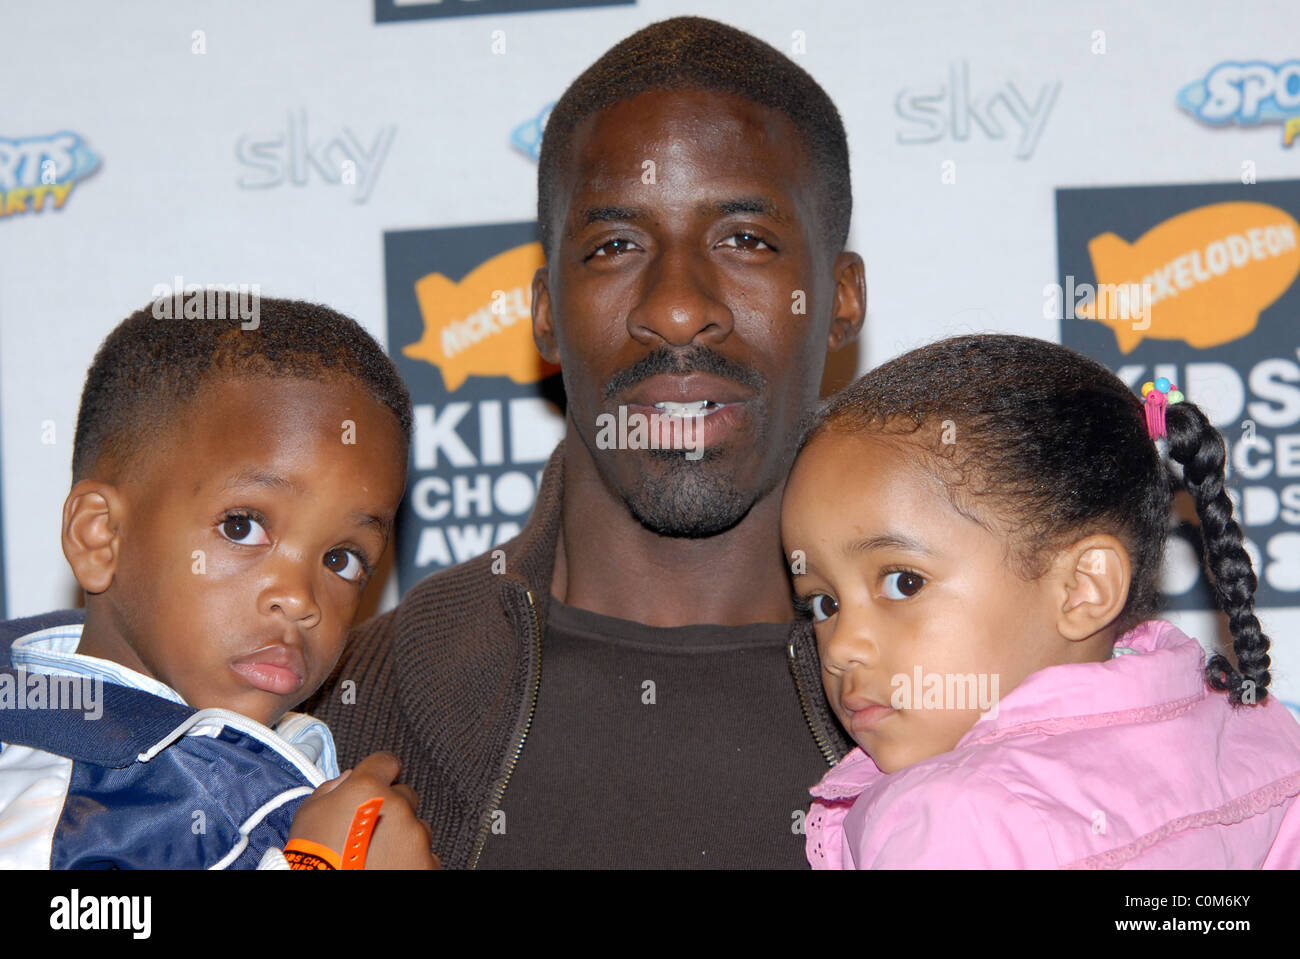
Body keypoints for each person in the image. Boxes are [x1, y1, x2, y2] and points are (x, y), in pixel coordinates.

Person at [309, 16, 867, 868]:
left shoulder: (982, 704)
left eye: (745, 239)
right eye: (615, 245)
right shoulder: (347, 712)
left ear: (841, 299)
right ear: (543, 314)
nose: (678, 307)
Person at [782, 334, 1300, 868]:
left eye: (903, 583)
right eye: (822, 604)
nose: (841, 648)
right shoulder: (1254, 741)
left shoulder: (949, 820)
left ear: (1083, 588)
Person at [0, 296, 436, 869]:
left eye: (343, 559)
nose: (301, 600)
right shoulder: (55, 808)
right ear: (101, 537)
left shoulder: (263, 760)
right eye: (242, 526)